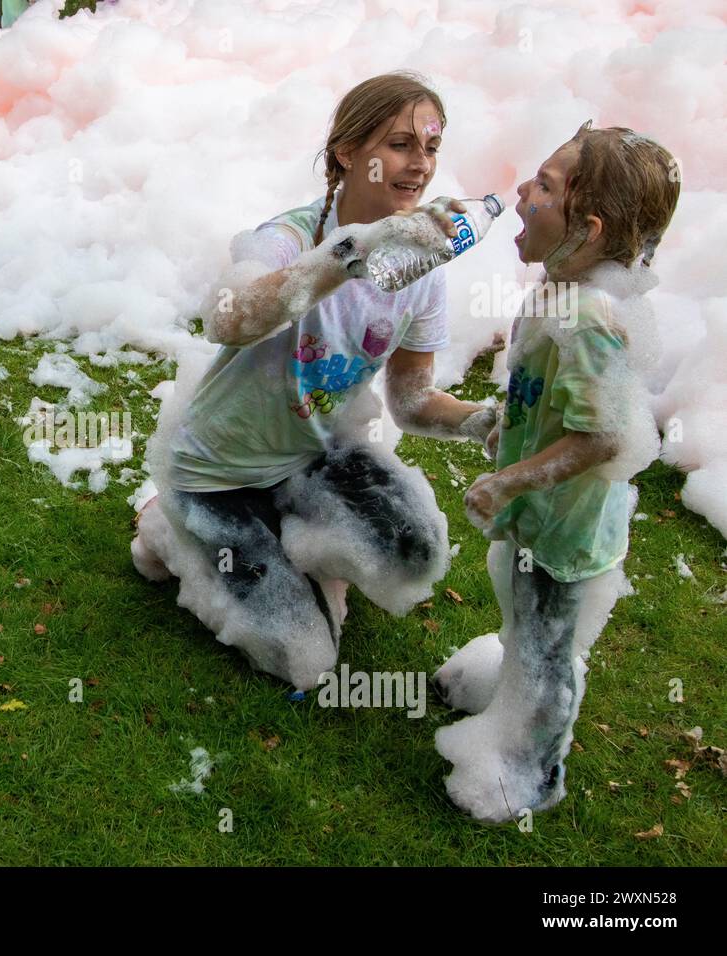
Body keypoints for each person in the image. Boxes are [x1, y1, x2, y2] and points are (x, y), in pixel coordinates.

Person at [132, 72, 498, 689]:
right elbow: (228, 316)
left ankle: (295, 537)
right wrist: (349, 254)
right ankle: (164, 523)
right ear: (347, 152)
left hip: (310, 458)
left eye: (431, 148)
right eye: (401, 144)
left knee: (416, 554)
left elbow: (409, 399)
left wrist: (480, 420)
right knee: (304, 660)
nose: (420, 166)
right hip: (216, 474)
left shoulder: (424, 269)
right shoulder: (290, 237)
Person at [432, 124, 680, 822]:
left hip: (568, 538)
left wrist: (512, 480)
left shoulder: (591, 318)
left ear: (589, 230)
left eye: (543, 185)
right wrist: (501, 423)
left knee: (547, 652)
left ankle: (526, 772)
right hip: (541, 520)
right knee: (524, 618)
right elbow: (556, 402)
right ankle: (502, 697)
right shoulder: (559, 289)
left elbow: (604, 435)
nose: (521, 190)